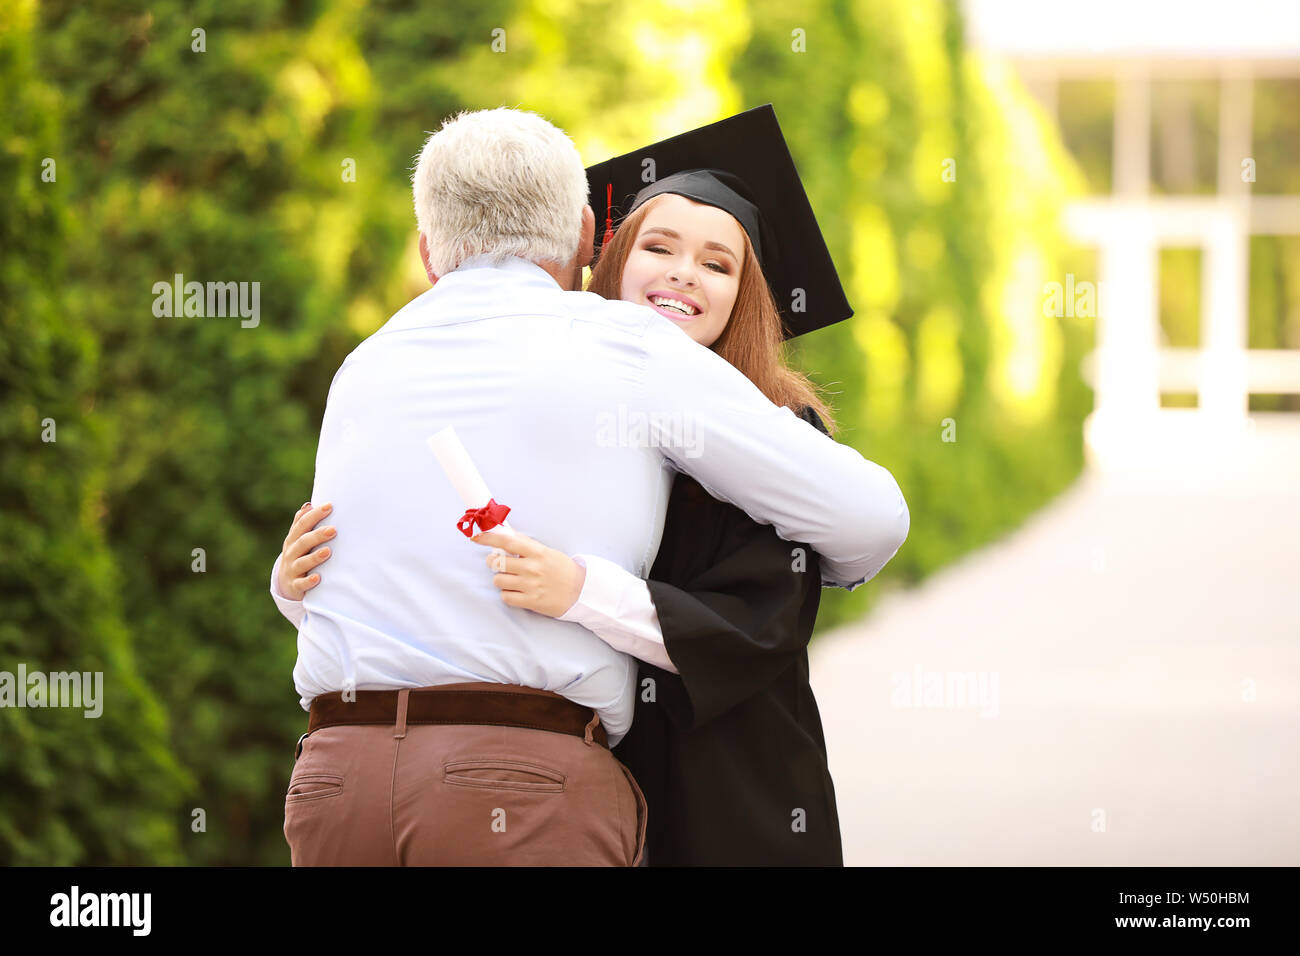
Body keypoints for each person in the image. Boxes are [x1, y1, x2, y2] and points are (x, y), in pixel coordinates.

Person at [274, 106, 910, 867]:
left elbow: (786, 596)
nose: (681, 273)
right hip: (542, 780)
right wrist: (298, 584)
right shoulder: (609, 360)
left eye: (718, 262)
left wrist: (583, 590)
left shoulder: (366, 364)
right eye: (658, 245)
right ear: (593, 244)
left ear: (427, 252)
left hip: (715, 795)